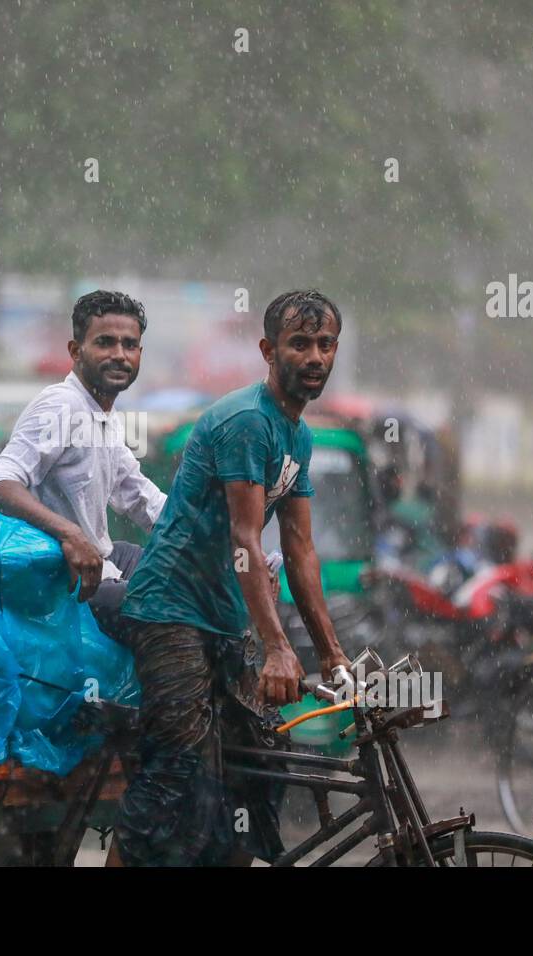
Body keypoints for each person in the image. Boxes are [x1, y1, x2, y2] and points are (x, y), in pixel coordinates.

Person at [111, 289, 352, 867]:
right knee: (179, 764)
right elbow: (246, 540)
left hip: (220, 615)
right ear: (269, 351)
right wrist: (275, 647)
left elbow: (299, 550)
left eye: (325, 345)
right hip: (168, 607)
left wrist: (333, 655)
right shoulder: (248, 421)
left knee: (260, 759)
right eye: (300, 344)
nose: (314, 357)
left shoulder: (299, 435)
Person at [0, 290, 166, 640]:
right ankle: (170, 697)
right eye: (105, 343)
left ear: (140, 354)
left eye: (129, 345)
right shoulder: (61, 405)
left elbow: (148, 502)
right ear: (75, 351)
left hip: (103, 561)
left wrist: (228, 551)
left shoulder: (104, 417)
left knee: (194, 578)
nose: (119, 355)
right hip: (57, 575)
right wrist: (69, 534)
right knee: (173, 609)